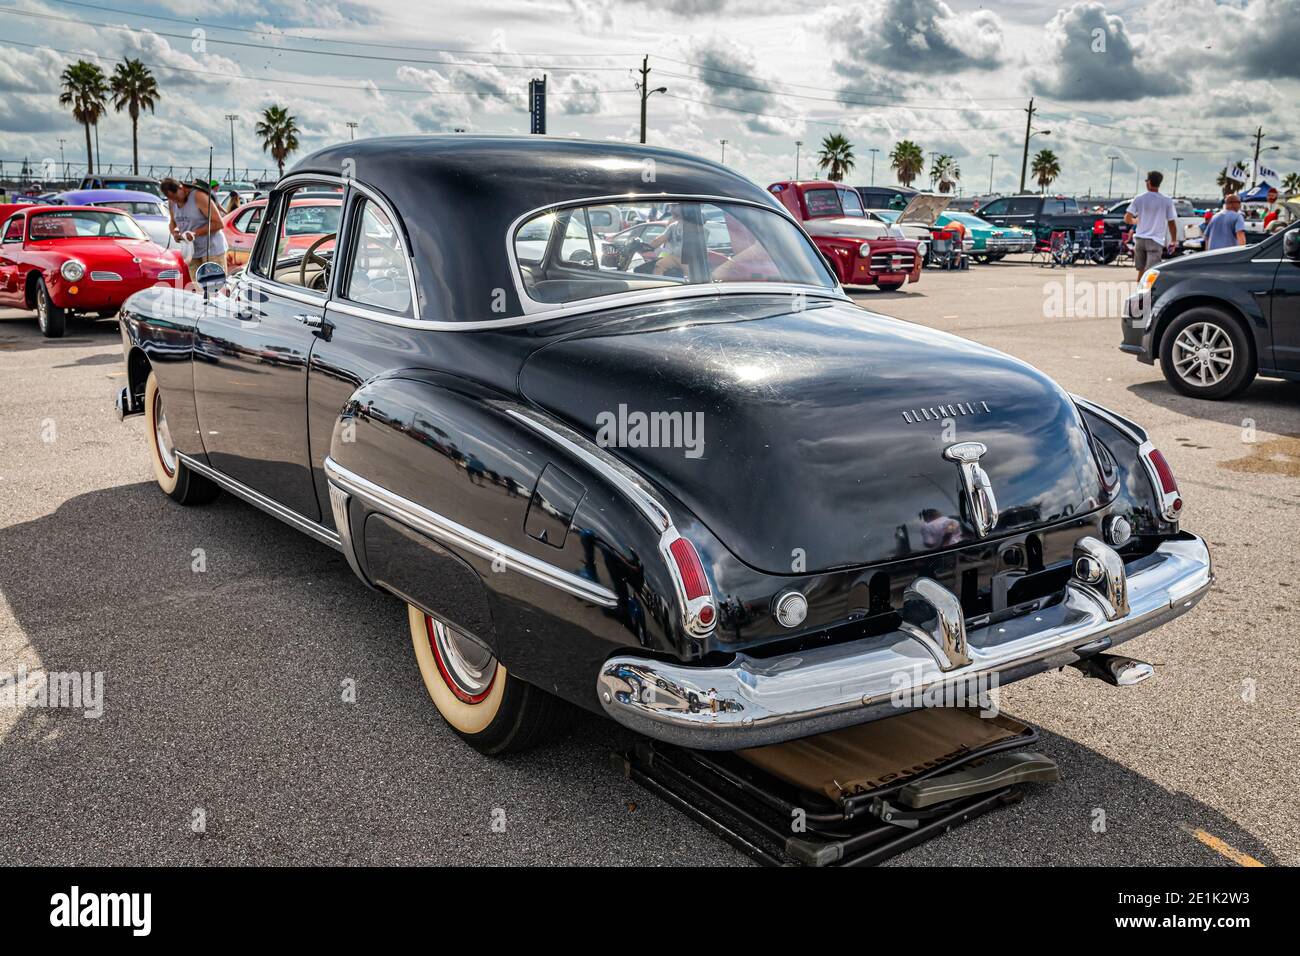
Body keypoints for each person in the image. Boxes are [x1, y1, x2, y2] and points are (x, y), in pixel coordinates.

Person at [161, 176, 227, 275]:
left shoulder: (198, 196)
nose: (175, 201)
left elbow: (218, 223)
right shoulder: (172, 202)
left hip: (211, 251)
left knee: (214, 287)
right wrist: (175, 233)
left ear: (181, 187)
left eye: (176, 197)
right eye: (172, 199)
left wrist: (194, 233)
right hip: (191, 252)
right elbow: (172, 223)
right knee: (197, 287)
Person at [1124, 170, 1177, 277]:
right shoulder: (1166, 200)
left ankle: (1140, 293)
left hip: (1139, 239)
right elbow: (1171, 222)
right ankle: (1148, 294)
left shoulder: (1139, 198)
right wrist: (1174, 240)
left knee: (1141, 271)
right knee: (1151, 273)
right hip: (1155, 240)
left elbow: (1127, 218)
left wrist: (1136, 221)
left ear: (1149, 182)